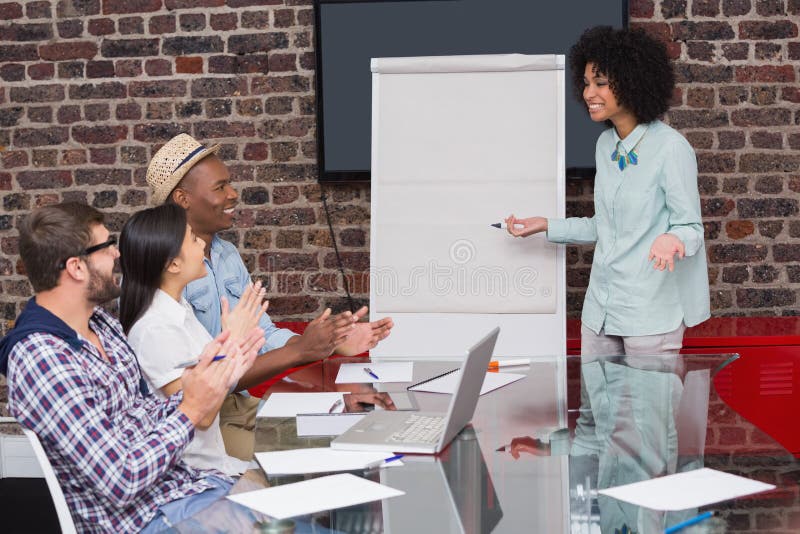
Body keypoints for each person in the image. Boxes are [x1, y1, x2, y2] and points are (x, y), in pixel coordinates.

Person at [0, 203, 264, 532]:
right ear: (76, 268)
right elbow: (121, 479)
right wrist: (190, 410)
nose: (116, 254)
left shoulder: (101, 326)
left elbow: (141, 415)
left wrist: (203, 380)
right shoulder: (42, 359)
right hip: (148, 521)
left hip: (188, 490)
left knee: (302, 502)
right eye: (105, 246)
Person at [145, 133, 394, 457]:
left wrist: (329, 344)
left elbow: (265, 335)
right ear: (183, 199)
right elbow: (205, 386)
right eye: (220, 187)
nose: (233, 194)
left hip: (241, 407)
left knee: (353, 431)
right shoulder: (164, 278)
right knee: (324, 451)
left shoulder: (228, 255)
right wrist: (304, 350)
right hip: (207, 427)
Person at [505, 26, 710, 357]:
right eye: (586, 83)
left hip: (650, 313)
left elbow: (691, 229)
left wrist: (672, 239)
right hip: (600, 309)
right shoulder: (605, 145)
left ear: (631, 83)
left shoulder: (671, 149)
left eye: (600, 83)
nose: (589, 93)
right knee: (598, 408)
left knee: (648, 409)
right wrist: (545, 224)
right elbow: (606, 225)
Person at [120, 203, 267, 476]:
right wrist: (231, 344)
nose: (202, 244)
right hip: (192, 478)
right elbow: (201, 415)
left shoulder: (179, 309)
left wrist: (234, 351)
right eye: (193, 238)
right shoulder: (155, 330)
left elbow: (213, 381)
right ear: (173, 263)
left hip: (215, 462)